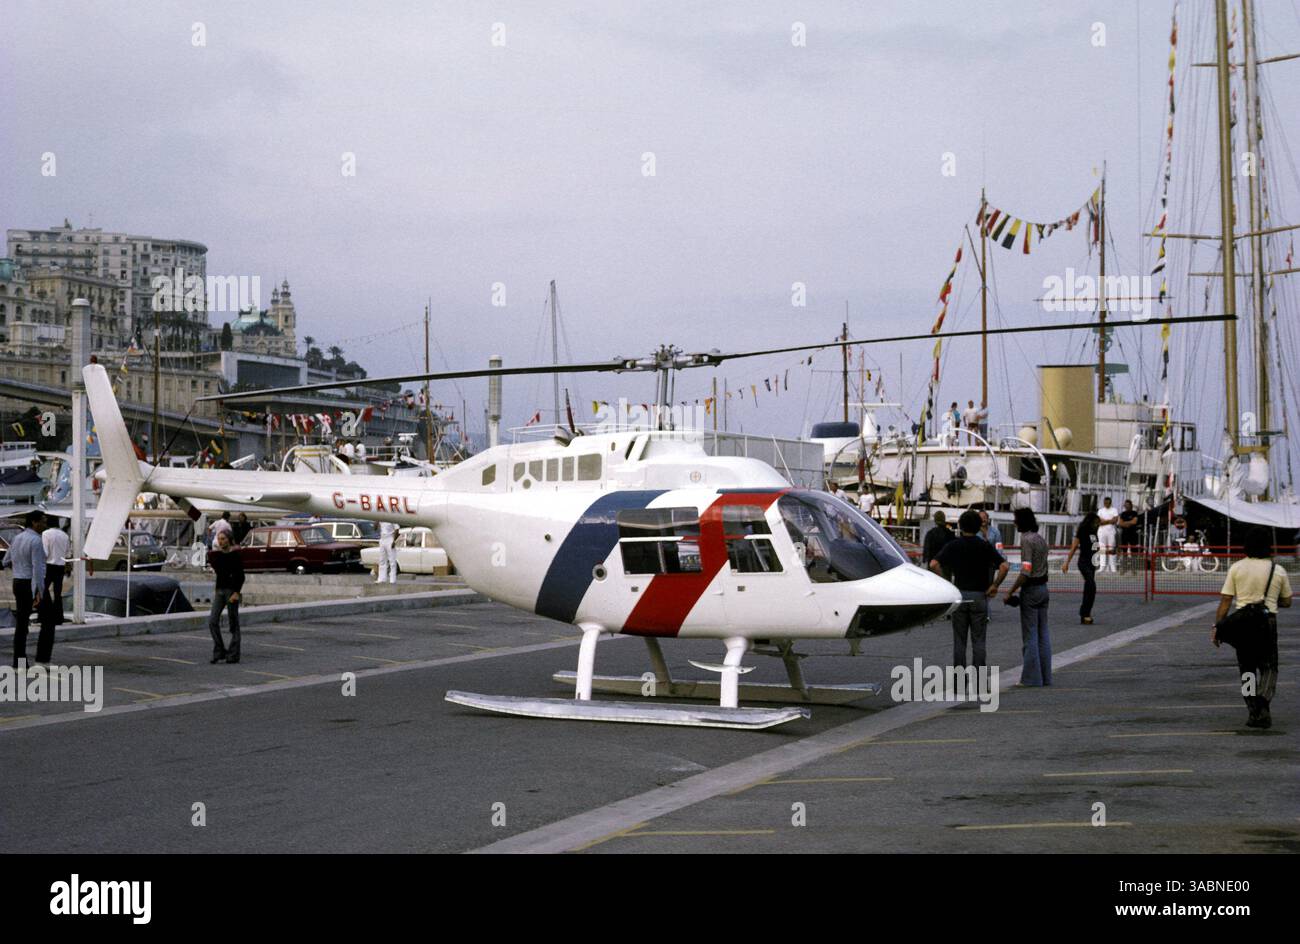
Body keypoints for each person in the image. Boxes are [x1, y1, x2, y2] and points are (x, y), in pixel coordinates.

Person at [1213, 527, 1291, 728]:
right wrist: (1271, 601)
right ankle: (1263, 702)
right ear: (1268, 546)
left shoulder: (1236, 568)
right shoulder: (1278, 570)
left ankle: (1252, 709)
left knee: (1247, 669)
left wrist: (1217, 627)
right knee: (1269, 667)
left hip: (1242, 623)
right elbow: (1288, 601)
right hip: (1267, 622)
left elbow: (1225, 602)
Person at [931, 510, 1008, 669]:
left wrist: (948, 585)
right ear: (979, 526)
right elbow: (1004, 566)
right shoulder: (984, 546)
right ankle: (979, 679)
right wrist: (995, 585)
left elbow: (933, 564)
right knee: (979, 641)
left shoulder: (953, 545)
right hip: (979, 595)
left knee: (959, 641)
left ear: (960, 525)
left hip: (960, 595)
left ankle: (959, 680)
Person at [1005, 507, 1051, 686]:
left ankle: (1031, 678)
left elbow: (1026, 570)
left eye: (1016, 519)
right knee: (1043, 633)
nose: (1014, 522)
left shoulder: (1026, 540)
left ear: (1021, 522)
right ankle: (1045, 676)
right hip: (1043, 588)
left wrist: (1011, 590)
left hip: (1031, 590)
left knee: (1030, 634)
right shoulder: (1040, 539)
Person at [3, 510, 47, 669]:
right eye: (43, 521)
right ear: (34, 523)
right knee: (29, 623)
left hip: (17, 582)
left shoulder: (17, 538)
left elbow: (6, 560)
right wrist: (39, 591)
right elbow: (38, 569)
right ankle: (23, 660)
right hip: (29, 583)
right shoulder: (36, 541)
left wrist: (18, 564)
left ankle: (20, 660)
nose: (44, 524)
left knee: (21, 622)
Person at [206, 529, 245, 664]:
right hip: (220, 591)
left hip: (231, 591)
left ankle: (233, 654)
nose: (221, 541)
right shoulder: (218, 556)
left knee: (233, 623)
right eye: (219, 539)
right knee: (212, 621)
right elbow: (217, 571)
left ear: (229, 539)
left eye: (223, 539)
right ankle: (219, 650)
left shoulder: (235, 555)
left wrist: (236, 592)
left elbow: (241, 576)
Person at [37, 517, 70, 663]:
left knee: (43, 591)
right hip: (60, 565)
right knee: (58, 593)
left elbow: (44, 551)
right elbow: (68, 553)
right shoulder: (64, 535)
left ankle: (44, 615)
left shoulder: (46, 534)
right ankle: (58, 616)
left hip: (49, 565)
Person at [1062, 511, 1100, 625]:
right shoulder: (1082, 531)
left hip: (1092, 563)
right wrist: (1066, 562)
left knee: (1089, 589)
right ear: (1091, 521)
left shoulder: (1095, 531)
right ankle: (1084, 613)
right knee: (1091, 585)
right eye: (1096, 522)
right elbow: (1074, 547)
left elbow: (1095, 548)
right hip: (1083, 562)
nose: (1098, 524)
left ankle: (1086, 614)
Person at [1097, 497, 1119, 573]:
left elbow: (1115, 521)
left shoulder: (1114, 510)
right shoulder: (1100, 510)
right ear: (1104, 502)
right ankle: (1102, 567)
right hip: (1101, 532)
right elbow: (1099, 522)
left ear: (1110, 502)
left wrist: (1105, 521)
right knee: (1102, 549)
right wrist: (1110, 520)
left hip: (1111, 532)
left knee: (1111, 549)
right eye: (1105, 502)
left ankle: (1113, 567)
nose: (1107, 504)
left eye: (1108, 502)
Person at [1117, 500, 1140, 572]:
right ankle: (1124, 568)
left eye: (1128, 504)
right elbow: (1120, 523)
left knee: (1133, 552)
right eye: (1125, 505)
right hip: (1124, 534)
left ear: (1131, 505)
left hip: (1133, 534)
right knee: (1124, 551)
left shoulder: (1134, 513)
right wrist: (1129, 523)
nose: (1126, 506)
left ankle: (1133, 569)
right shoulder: (1122, 514)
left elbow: (1134, 521)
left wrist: (1126, 523)